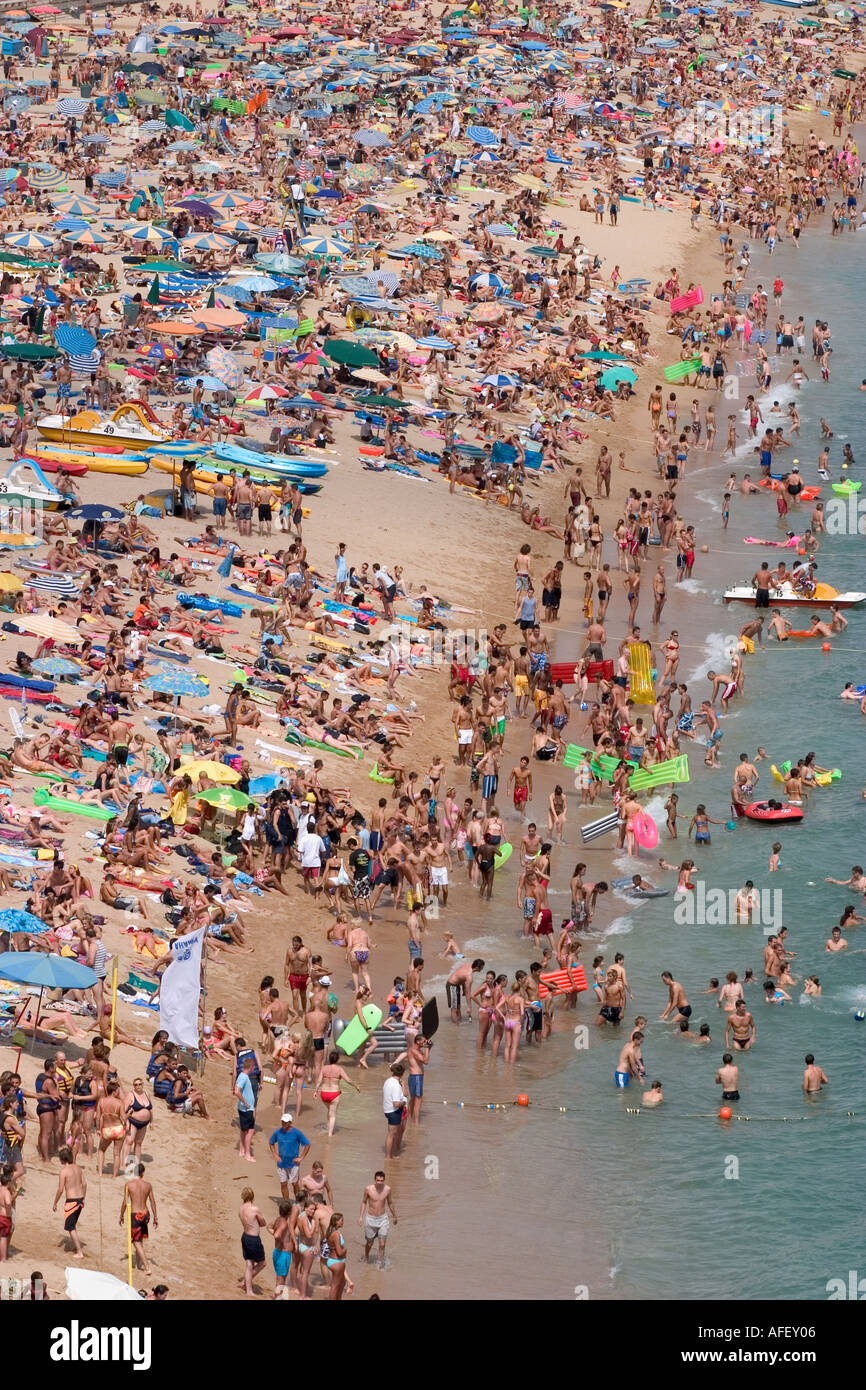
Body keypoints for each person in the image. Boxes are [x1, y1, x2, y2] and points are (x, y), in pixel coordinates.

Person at [120, 1166, 158, 1276]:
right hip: (145, 1214)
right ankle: (138, 1264)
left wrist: (121, 1215)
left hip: (135, 1214)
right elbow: (153, 1202)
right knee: (139, 1239)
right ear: (143, 1173)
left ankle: (147, 1267)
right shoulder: (148, 1185)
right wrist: (155, 1217)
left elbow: (124, 1202)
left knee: (136, 1241)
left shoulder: (129, 1185)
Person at [53, 1145, 86, 1260]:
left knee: (70, 1227)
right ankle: (77, 1247)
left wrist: (55, 1202)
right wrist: (83, 1198)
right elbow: (85, 1184)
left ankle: (79, 1251)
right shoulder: (78, 1168)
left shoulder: (64, 1171)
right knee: (73, 1224)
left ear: (62, 1159)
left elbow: (60, 1189)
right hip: (80, 1199)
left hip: (71, 1201)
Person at [359, 1171, 398, 1269]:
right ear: (374, 1179)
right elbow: (364, 1202)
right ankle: (366, 1256)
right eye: (378, 1180)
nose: (379, 1182)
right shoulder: (368, 1189)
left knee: (382, 1244)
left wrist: (394, 1216)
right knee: (369, 1243)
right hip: (370, 1219)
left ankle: (380, 1263)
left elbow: (390, 1203)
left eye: (381, 1180)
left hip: (383, 1219)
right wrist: (360, 1216)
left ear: (384, 1180)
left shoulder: (388, 1189)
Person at [268, 1113, 310, 1200]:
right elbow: (271, 1142)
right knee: (283, 1183)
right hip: (281, 1163)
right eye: (282, 1122)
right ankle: (286, 1203)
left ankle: (299, 1202)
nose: (283, 1124)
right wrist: (275, 1154)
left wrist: (301, 1157)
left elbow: (307, 1144)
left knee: (295, 1184)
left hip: (293, 1164)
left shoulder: (297, 1133)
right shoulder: (277, 1132)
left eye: (286, 1122)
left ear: (290, 1123)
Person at [238, 1188, 267, 1297]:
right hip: (253, 1239)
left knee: (249, 1263)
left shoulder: (241, 1208)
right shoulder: (254, 1209)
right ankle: (247, 1286)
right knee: (262, 1263)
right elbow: (263, 1223)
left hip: (245, 1236)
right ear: (252, 1197)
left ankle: (245, 1284)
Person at [234, 1056, 258, 1163]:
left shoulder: (242, 1076)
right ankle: (248, 1154)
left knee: (244, 1130)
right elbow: (237, 1091)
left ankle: (242, 1149)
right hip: (246, 1108)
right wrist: (245, 1102)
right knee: (250, 1130)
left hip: (244, 1108)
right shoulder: (243, 1077)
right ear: (251, 1067)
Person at [383, 1063, 408, 1159]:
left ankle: (391, 1154)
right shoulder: (396, 1086)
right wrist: (404, 1103)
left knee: (392, 1134)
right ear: (402, 1074)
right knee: (391, 1135)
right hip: (394, 1112)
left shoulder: (388, 1081)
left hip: (387, 1109)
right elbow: (396, 1104)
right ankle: (388, 1156)